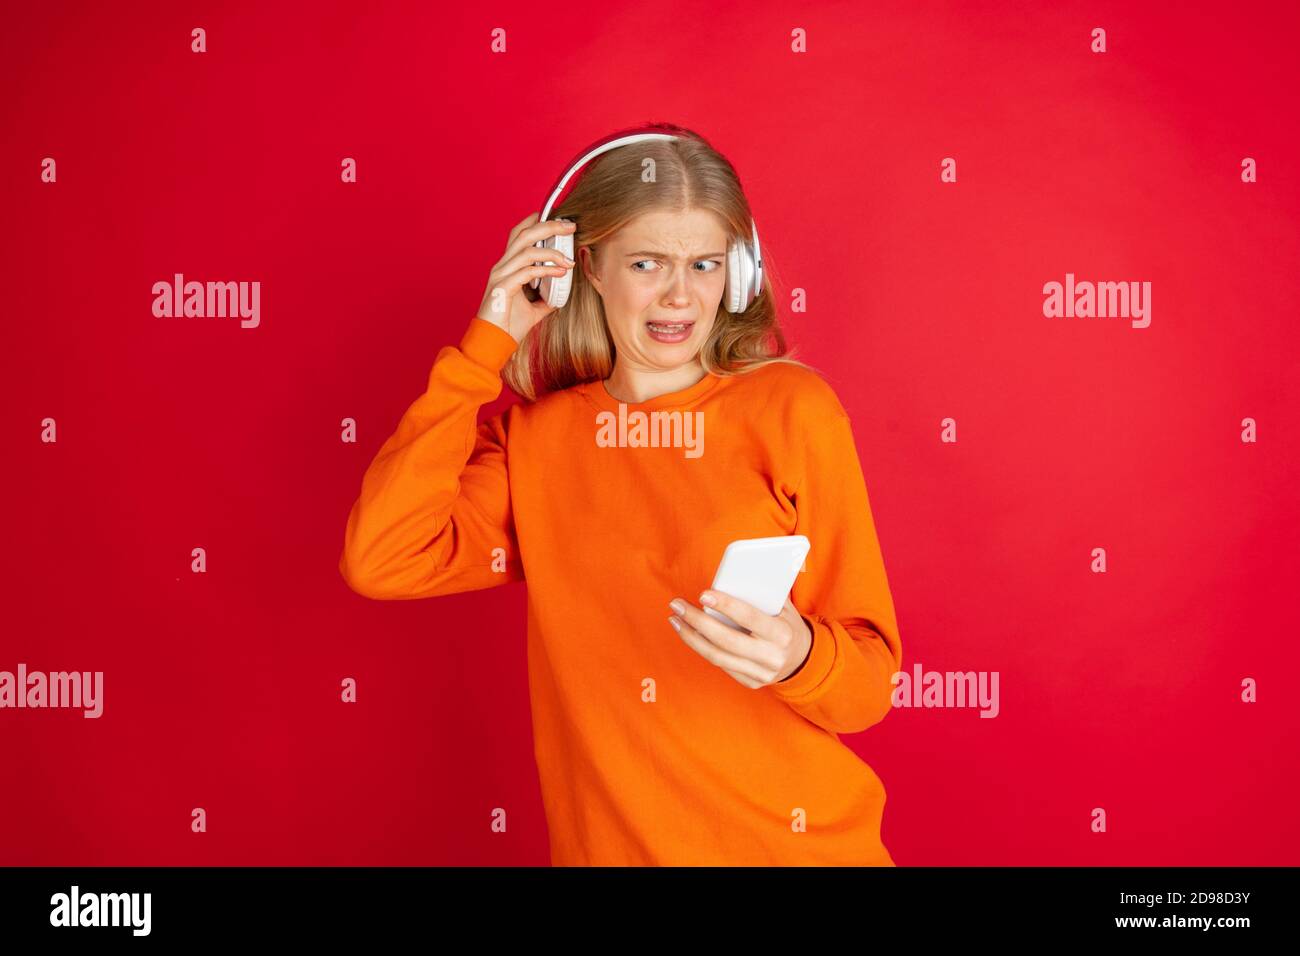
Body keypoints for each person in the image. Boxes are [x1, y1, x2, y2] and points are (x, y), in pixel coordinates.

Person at [338, 124, 903, 866]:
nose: (679, 295)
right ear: (583, 268)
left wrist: (799, 658)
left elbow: (867, 686)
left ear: (735, 276)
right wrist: (486, 347)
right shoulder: (535, 445)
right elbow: (382, 559)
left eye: (704, 264)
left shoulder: (794, 411)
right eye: (647, 263)